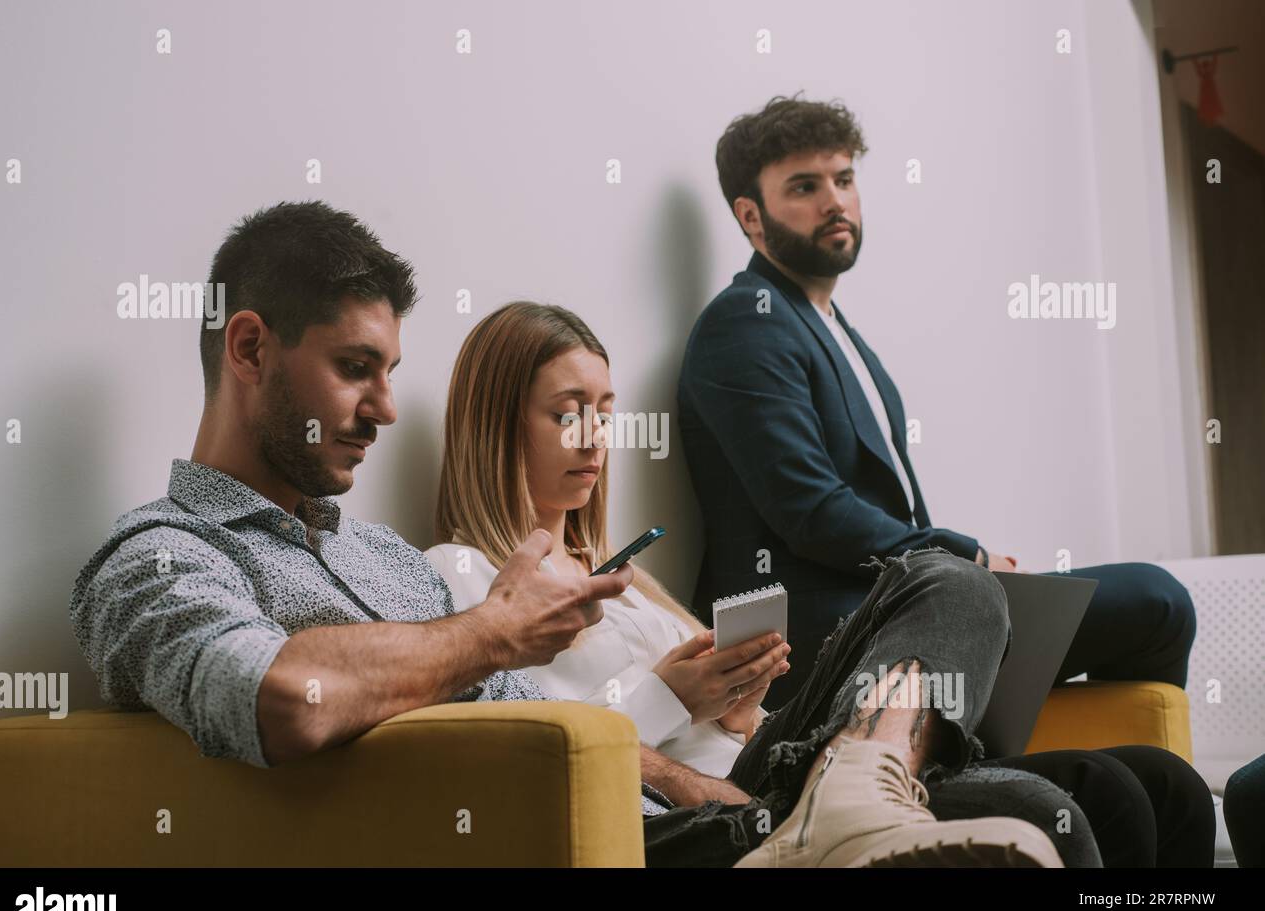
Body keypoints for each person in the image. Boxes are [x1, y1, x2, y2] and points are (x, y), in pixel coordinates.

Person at [68, 200, 1052, 868]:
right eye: (355, 367)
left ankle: (847, 789)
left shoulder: (386, 561)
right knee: (1036, 822)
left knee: (1046, 714)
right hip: (575, 850)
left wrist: (711, 793)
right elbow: (280, 697)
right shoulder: (158, 556)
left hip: (667, 813)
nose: (387, 408)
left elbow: (565, 733)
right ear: (250, 348)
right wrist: (495, 630)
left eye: (390, 370)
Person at [423, 299, 1211, 867]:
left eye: (605, 410)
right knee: (1058, 808)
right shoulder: (462, 574)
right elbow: (525, 741)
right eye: (568, 413)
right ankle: (862, 776)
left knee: (1155, 782)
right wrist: (670, 694)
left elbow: (724, 728)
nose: (597, 438)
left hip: (777, 762)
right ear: (497, 424)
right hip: (733, 806)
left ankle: (871, 765)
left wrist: (738, 705)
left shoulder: (632, 580)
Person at [675, 94, 1214, 865]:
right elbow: (811, 512)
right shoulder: (747, 322)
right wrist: (966, 557)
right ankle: (941, 754)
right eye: (804, 185)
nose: (835, 199)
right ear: (752, 217)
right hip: (840, 643)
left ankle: (971, 749)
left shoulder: (835, 330)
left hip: (909, 612)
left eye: (844, 178)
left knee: (1158, 765)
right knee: (1156, 602)